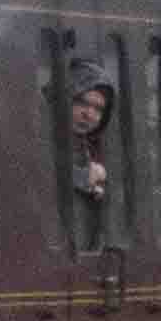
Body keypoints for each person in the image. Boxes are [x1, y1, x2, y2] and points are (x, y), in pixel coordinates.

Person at [60, 67, 118, 249]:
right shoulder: (42, 135)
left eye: (98, 109)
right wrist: (84, 177)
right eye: (81, 102)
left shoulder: (91, 147)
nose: (89, 114)